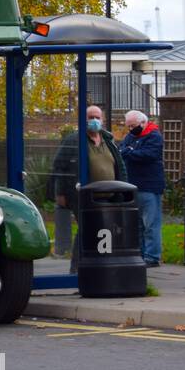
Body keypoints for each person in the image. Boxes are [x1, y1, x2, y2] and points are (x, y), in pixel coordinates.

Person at [50, 104, 125, 271]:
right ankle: (76, 269)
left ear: (103, 120)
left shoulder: (108, 140)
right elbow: (59, 166)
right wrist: (60, 192)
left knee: (106, 229)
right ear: (83, 120)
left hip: (109, 195)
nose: (94, 121)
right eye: (90, 117)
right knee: (86, 228)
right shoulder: (74, 140)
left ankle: (101, 267)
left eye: (97, 117)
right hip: (83, 194)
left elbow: (119, 165)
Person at [119, 109, 165, 267]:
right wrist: (130, 152)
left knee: (151, 224)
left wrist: (130, 152)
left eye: (133, 126)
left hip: (150, 186)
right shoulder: (130, 137)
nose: (131, 130)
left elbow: (147, 155)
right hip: (133, 185)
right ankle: (140, 253)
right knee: (137, 224)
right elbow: (122, 151)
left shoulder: (154, 136)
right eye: (129, 126)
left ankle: (152, 256)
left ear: (143, 123)